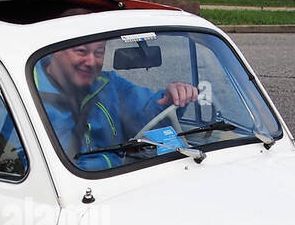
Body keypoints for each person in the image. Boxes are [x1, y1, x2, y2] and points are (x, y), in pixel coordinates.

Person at [33, 25, 201, 170]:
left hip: (118, 182)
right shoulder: (27, 93)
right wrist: (120, 162)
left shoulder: (109, 84)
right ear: (56, 51)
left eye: (99, 53)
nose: (91, 62)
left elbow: (148, 115)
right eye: (81, 51)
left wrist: (169, 98)